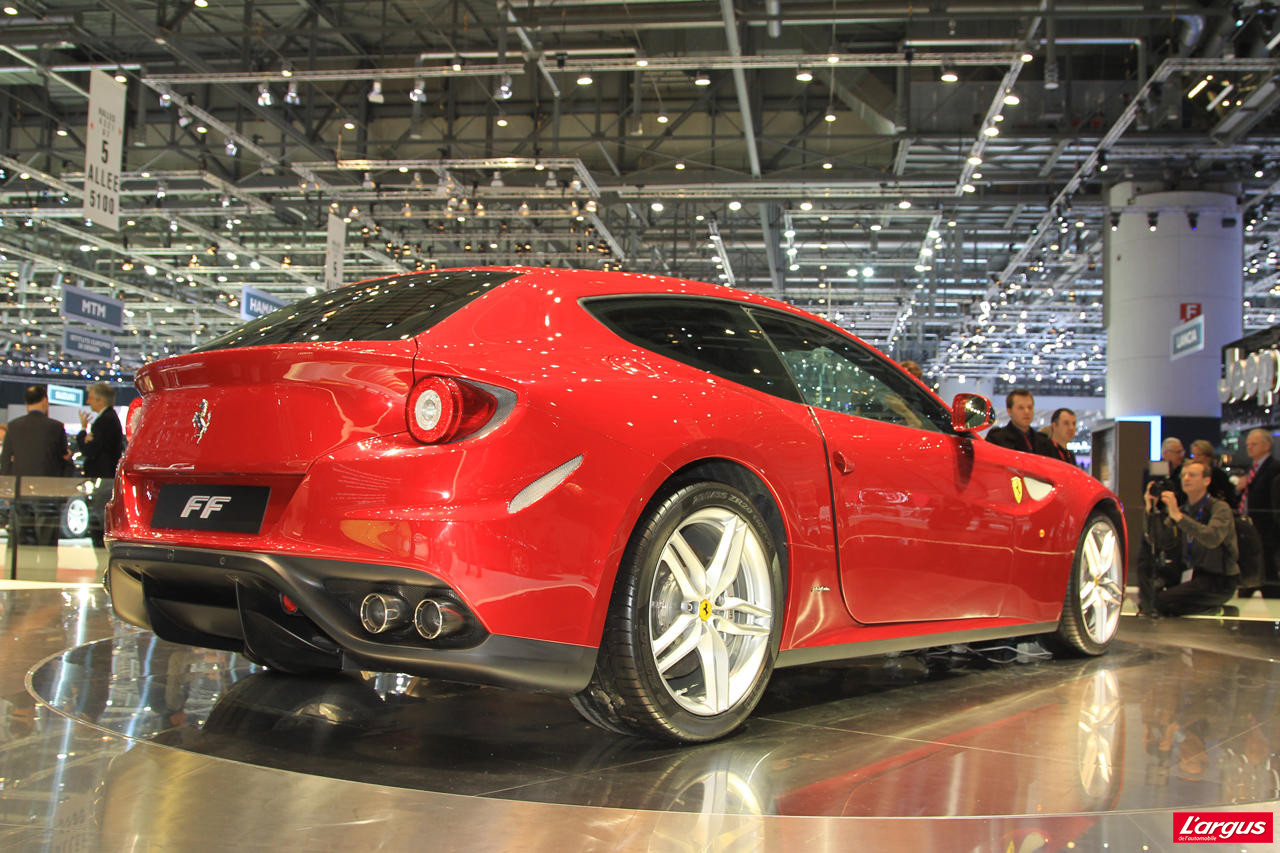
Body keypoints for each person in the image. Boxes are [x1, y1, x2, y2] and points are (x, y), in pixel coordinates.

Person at [1138, 459, 1239, 617]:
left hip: (1217, 578)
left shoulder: (1219, 508)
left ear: (1206, 480)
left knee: (1160, 602)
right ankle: (1164, 607)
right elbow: (1161, 541)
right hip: (1190, 573)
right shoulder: (1184, 509)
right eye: (1183, 475)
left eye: (1192, 475)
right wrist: (1151, 511)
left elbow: (1212, 538)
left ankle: (1218, 611)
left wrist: (1178, 517)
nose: (1186, 479)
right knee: (1147, 596)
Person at [0, 386, 69, 573]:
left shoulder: (13, 427)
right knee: (46, 540)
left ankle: (21, 575)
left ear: (26, 403)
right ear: (45, 401)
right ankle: (46, 576)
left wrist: (7, 490)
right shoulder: (55, 427)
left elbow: (5, 461)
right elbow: (63, 459)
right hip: (47, 493)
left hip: (20, 491)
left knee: (21, 538)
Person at [75, 383, 124, 549]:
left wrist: (82, 434)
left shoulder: (104, 421)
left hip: (102, 480)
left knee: (98, 519)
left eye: (90, 397)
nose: (88, 402)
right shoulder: (109, 419)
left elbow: (91, 450)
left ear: (100, 399)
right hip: (105, 478)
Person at [1240, 428, 1280, 595]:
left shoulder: (1274, 468)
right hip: (1250, 528)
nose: (1249, 447)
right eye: (1248, 444)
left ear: (1267, 445)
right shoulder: (1252, 468)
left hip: (1267, 529)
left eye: (1254, 444)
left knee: (1268, 571)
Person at [986, 388, 1056, 456]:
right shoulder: (996, 439)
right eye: (1021, 408)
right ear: (1009, 411)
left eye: (1030, 407)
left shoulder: (1044, 442)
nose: (1027, 412)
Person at [1189, 439, 1237, 510]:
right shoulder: (1190, 474)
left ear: (1208, 457)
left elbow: (1228, 496)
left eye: (1198, 455)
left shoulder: (1218, 474)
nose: (1195, 458)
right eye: (1193, 455)